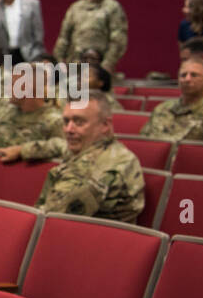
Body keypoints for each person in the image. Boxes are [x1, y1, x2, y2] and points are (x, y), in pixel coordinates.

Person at [36, 94, 145, 224]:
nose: (69, 129)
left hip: (94, 240)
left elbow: (48, 219)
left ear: (105, 125)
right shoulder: (95, 148)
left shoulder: (102, 168)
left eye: (79, 122)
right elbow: (58, 144)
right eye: (66, 122)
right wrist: (20, 150)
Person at [139, 58, 203, 143]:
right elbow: (144, 143)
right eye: (183, 75)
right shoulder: (162, 108)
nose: (187, 79)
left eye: (194, 75)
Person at [0, 63, 66, 161]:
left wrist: (22, 151)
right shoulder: (2, 113)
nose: (7, 89)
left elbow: (64, 152)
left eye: (12, 84)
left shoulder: (54, 122)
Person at [53, 0, 128, 74]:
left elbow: (119, 39)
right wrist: (59, 60)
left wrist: (108, 64)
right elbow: (64, 37)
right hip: (74, 65)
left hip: (99, 66)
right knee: (72, 89)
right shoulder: (76, 7)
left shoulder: (113, 8)